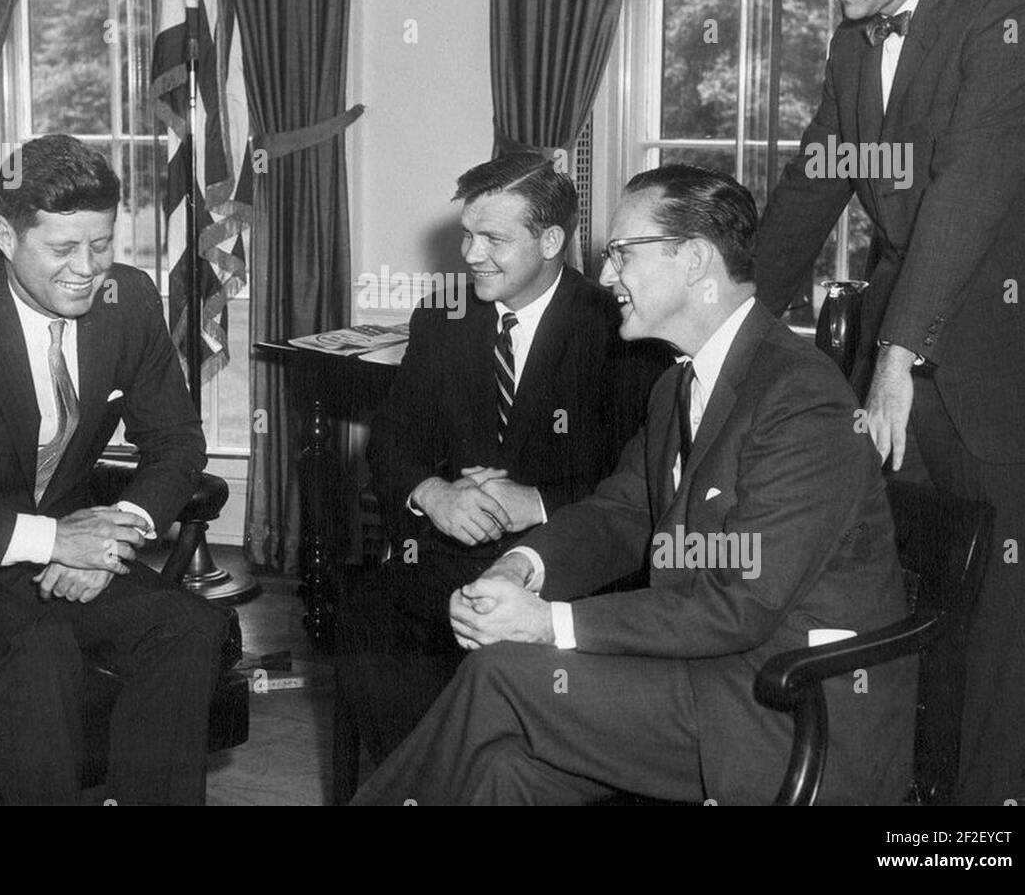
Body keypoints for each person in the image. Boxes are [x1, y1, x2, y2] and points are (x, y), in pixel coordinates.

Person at [352, 165, 914, 806]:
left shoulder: (801, 398)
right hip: (702, 676)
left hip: (787, 708)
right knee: (501, 772)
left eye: (623, 253)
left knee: (499, 675)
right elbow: (618, 513)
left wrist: (549, 622)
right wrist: (519, 567)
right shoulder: (677, 386)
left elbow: (740, 605)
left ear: (695, 260)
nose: (607, 274)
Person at [755, 0, 1025, 805]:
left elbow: (967, 193)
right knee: (880, 590)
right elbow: (813, 185)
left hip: (1006, 366)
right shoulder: (855, 43)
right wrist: (729, 312)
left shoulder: (1012, 14)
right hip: (900, 364)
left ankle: (969, 828)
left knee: (998, 622)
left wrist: (897, 352)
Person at [0, 134, 226, 805]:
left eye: (101, 243)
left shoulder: (129, 300)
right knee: (40, 649)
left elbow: (176, 441)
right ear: (7, 236)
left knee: (189, 627)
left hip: (74, 549)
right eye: (62, 249)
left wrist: (116, 536)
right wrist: (54, 541)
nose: (88, 268)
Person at [336, 153, 670, 767]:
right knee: (369, 617)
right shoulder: (443, 317)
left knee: (511, 667)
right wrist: (435, 494)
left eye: (493, 238)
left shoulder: (621, 326)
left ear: (551, 241)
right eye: (467, 234)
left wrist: (537, 501)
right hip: (452, 551)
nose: (471, 254)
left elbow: (640, 482)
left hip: (571, 563)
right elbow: (391, 439)